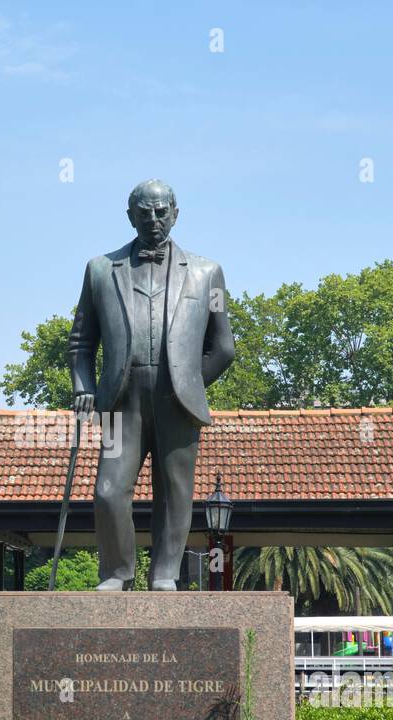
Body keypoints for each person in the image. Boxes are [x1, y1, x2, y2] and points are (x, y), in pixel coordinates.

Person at [68, 179, 235, 590]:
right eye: (145, 213)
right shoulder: (100, 270)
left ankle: (164, 574)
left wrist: (190, 383)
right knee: (108, 491)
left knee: (175, 491)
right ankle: (117, 572)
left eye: (162, 212)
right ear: (131, 216)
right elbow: (81, 343)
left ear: (175, 213)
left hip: (178, 399)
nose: (154, 220)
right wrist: (83, 385)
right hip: (121, 400)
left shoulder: (207, 273)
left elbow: (224, 347)